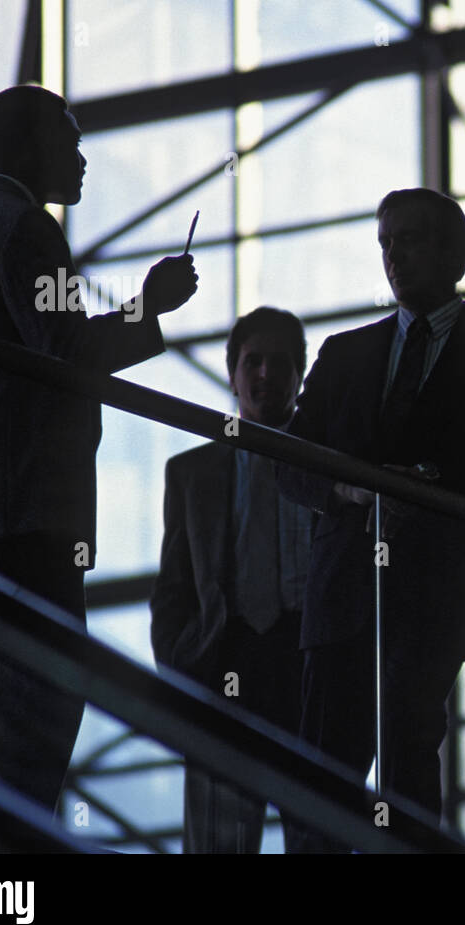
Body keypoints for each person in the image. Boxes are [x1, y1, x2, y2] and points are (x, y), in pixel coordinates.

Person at [0, 84, 198, 819]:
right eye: (69, 141)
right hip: (28, 525)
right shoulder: (27, 232)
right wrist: (149, 307)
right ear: (33, 147)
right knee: (35, 731)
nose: (81, 156)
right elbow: (64, 350)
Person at [277, 188, 465, 850]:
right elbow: (289, 463)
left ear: (452, 251)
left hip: (433, 594)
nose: (394, 255)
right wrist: (352, 488)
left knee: (408, 772)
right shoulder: (343, 353)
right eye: (386, 242)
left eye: (410, 240)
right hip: (346, 594)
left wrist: (417, 487)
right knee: (322, 781)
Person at [150, 306, 309, 853]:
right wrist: (180, 661)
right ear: (233, 372)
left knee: (317, 834)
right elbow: (173, 588)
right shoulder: (192, 475)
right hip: (226, 662)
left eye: (279, 363)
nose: (265, 374)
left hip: (306, 664)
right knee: (220, 841)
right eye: (253, 361)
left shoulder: (332, 469)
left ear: (300, 375)